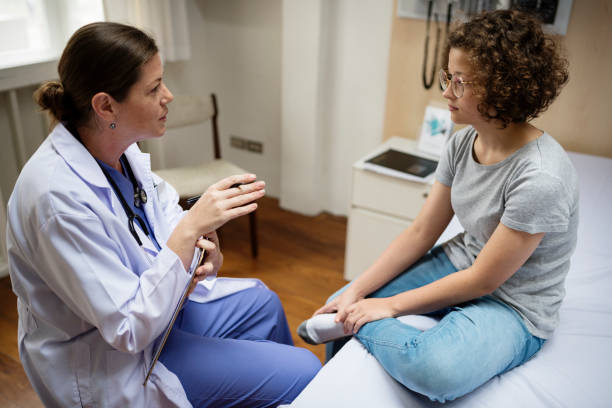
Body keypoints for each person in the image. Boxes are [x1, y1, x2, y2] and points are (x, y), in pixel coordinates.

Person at [7, 22, 320, 407]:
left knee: (264, 304)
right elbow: (126, 328)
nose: (168, 96)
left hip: (159, 319)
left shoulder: (119, 150)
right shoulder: (56, 200)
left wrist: (204, 246)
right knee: (304, 369)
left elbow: (163, 211)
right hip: (114, 361)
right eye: (153, 89)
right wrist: (191, 229)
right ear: (106, 106)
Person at [299, 9, 576, 403]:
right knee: (346, 300)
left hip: (514, 304)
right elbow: (421, 231)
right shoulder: (462, 144)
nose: (446, 91)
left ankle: (354, 326)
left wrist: (387, 306)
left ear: (503, 88)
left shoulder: (540, 178)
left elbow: (485, 281)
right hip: (464, 262)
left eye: (459, 82)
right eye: (448, 77)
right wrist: (360, 290)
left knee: (433, 369)